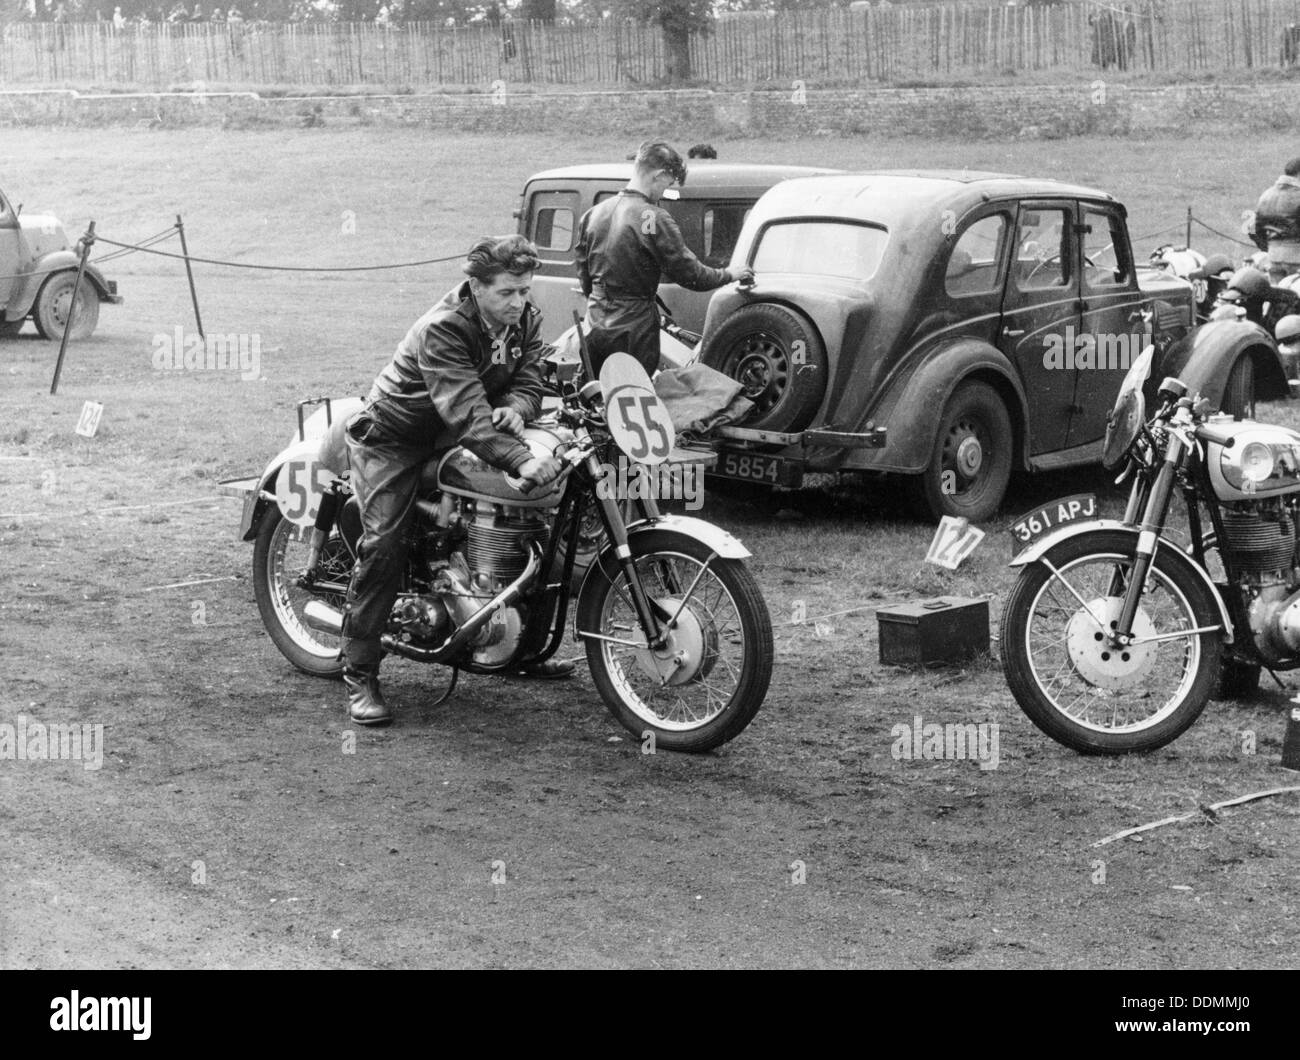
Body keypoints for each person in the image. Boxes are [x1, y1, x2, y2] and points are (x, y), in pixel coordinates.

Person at [339, 235, 569, 727]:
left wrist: (519, 407)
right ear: (476, 286)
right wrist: (519, 459)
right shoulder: (443, 328)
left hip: (458, 432)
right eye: (508, 292)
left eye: (525, 290)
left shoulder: (523, 319)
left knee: (534, 521)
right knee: (384, 544)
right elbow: (466, 411)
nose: (519, 302)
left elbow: (531, 377)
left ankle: (519, 646)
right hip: (396, 437)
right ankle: (360, 673)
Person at [573, 140, 753, 376]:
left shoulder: (594, 214)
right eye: (667, 184)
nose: (664, 192)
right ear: (658, 176)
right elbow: (692, 276)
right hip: (634, 328)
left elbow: (584, 277)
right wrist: (730, 273)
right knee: (634, 397)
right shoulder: (653, 218)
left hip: (595, 323)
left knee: (596, 397)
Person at [1249, 158, 1300, 282]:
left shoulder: (1266, 195)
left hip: (1273, 257)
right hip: (1297, 256)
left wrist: (1268, 247)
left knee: (1280, 298)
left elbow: (1253, 229)